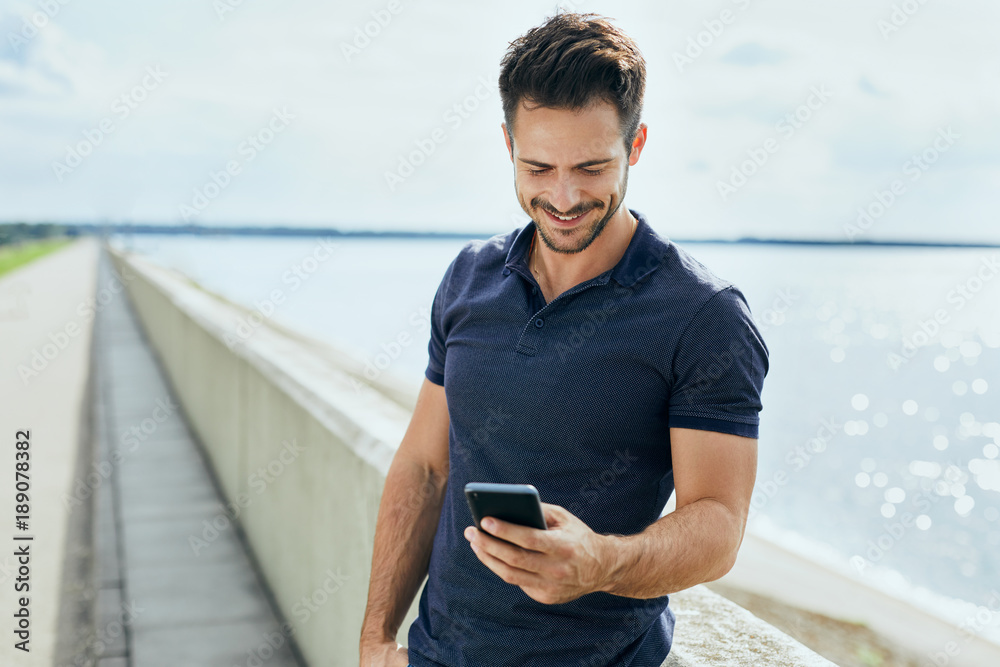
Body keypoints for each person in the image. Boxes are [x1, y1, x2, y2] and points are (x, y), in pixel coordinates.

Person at [359, 11, 768, 667]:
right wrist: (375, 639)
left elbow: (719, 521)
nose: (565, 195)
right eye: (538, 167)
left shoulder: (703, 314)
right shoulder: (469, 278)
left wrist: (599, 561)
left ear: (635, 147)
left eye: (592, 166)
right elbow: (425, 466)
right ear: (507, 145)